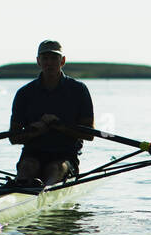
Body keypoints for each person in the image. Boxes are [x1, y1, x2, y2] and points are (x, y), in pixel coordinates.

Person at [8, 40, 94, 187]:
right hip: (32, 154)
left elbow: (89, 134)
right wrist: (36, 130)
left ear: (63, 61)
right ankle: (23, 187)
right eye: (45, 58)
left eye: (54, 58)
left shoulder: (78, 90)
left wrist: (60, 126)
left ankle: (43, 193)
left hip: (65, 155)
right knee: (27, 166)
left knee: (55, 168)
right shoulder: (24, 93)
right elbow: (13, 137)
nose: (49, 63)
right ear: (38, 61)